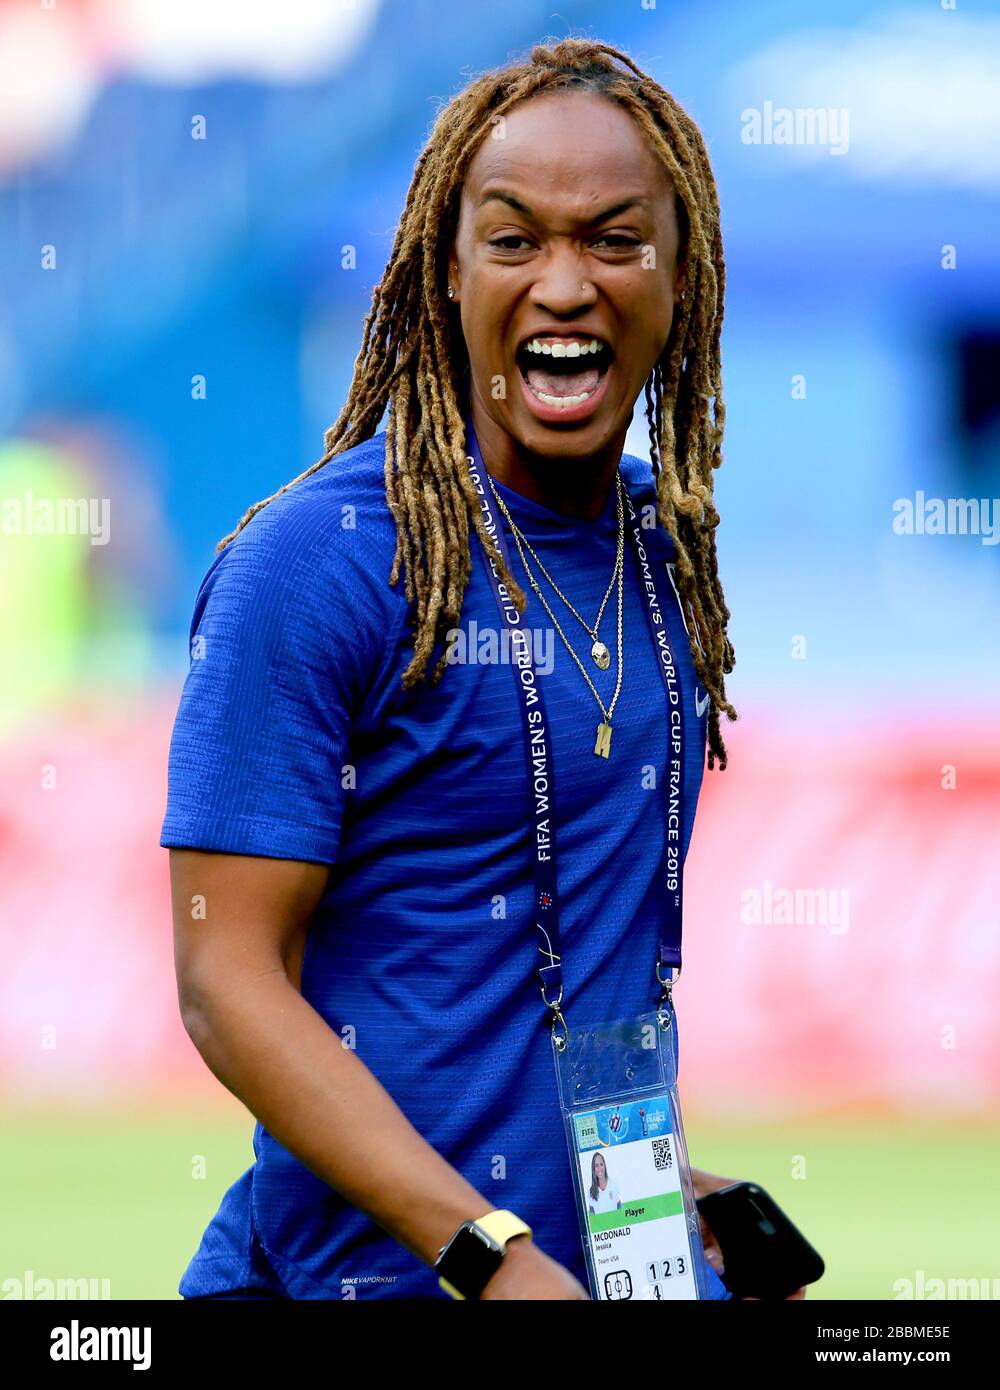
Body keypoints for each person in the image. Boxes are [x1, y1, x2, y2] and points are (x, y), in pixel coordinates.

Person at [161, 36, 804, 1301]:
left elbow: (590, 982)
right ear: (444, 275)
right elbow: (223, 981)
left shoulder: (662, 556)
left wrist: (670, 1210)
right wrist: (484, 1249)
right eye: (513, 241)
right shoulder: (316, 563)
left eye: (615, 240)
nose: (564, 283)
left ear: (686, 278)